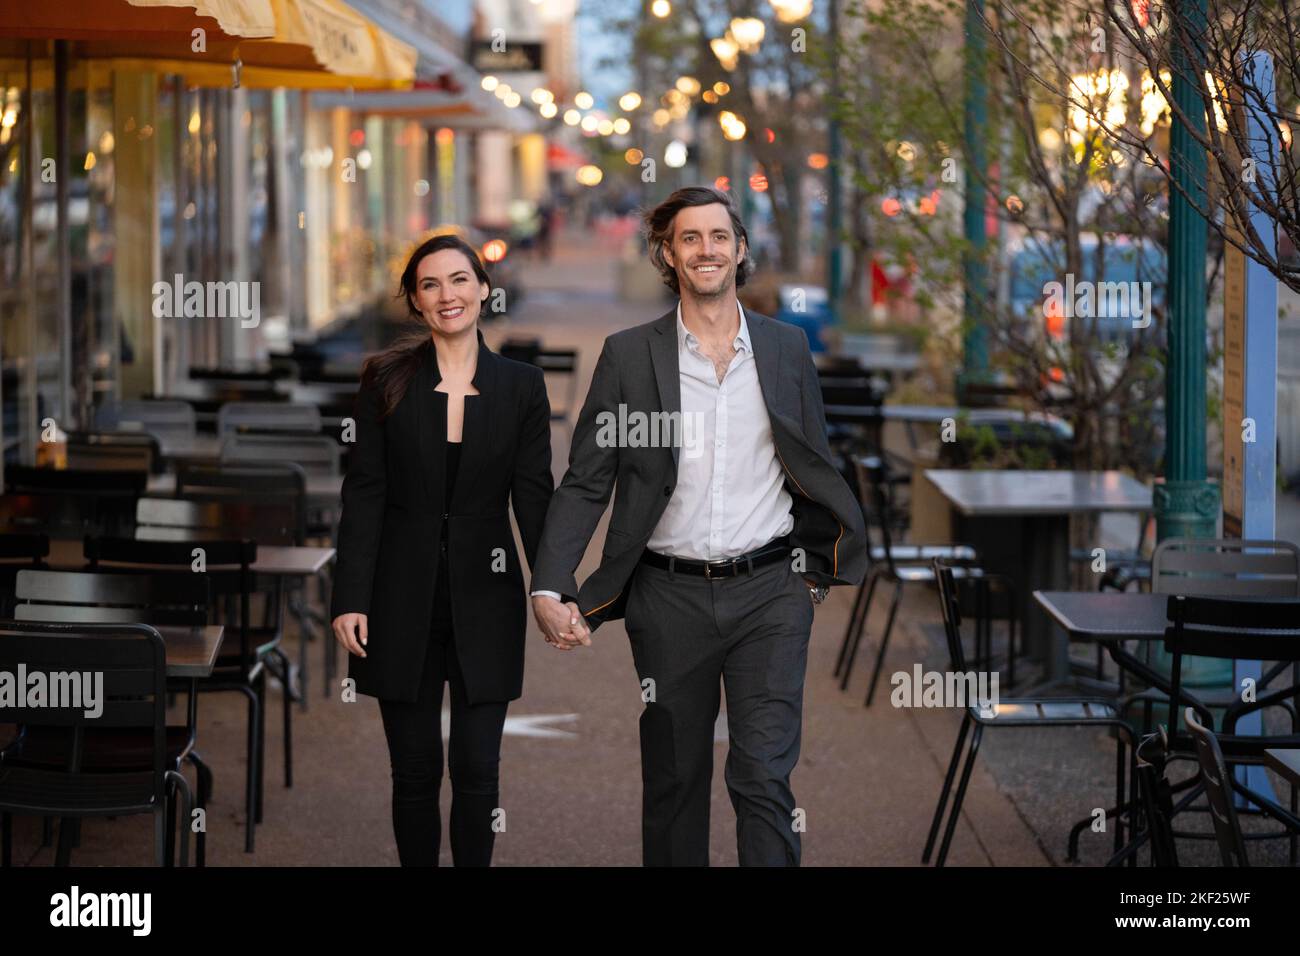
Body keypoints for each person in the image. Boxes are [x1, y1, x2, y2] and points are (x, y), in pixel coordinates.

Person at [529, 185, 867, 866]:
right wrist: (549, 582)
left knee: (763, 775)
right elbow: (589, 477)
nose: (706, 250)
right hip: (667, 597)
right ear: (668, 255)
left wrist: (811, 576)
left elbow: (813, 464)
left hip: (771, 592)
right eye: (690, 238)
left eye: (719, 237)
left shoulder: (785, 349)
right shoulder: (629, 356)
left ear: (740, 250)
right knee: (676, 778)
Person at [330, 233, 554, 866]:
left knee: (479, 769)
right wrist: (350, 597)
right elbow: (365, 495)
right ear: (416, 302)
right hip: (399, 600)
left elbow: (534, 499)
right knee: (415, 771)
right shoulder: (384, 379)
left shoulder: (521, 387)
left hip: (488, 599)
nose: (446, 295)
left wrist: (552, 589)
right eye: (430, 285)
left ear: (484, 289)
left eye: (459, 280)